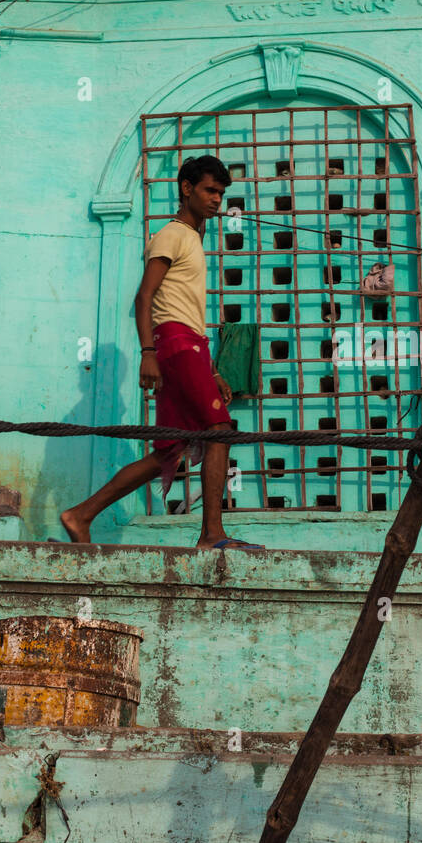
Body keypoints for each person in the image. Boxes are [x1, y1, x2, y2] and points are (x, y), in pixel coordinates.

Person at [62, 154, 262, 550]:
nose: (216, 199)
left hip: (189, 347)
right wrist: (147, 351)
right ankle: (211, 535)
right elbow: (144, 297)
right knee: (219, 431)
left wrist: (212, 370)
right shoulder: (172, 234)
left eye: (221, 193)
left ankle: (80, 514)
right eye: (209, 190)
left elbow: (184, 309)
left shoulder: (192, 237)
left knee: (169, 450)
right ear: (186, 188)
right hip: (174, 345)